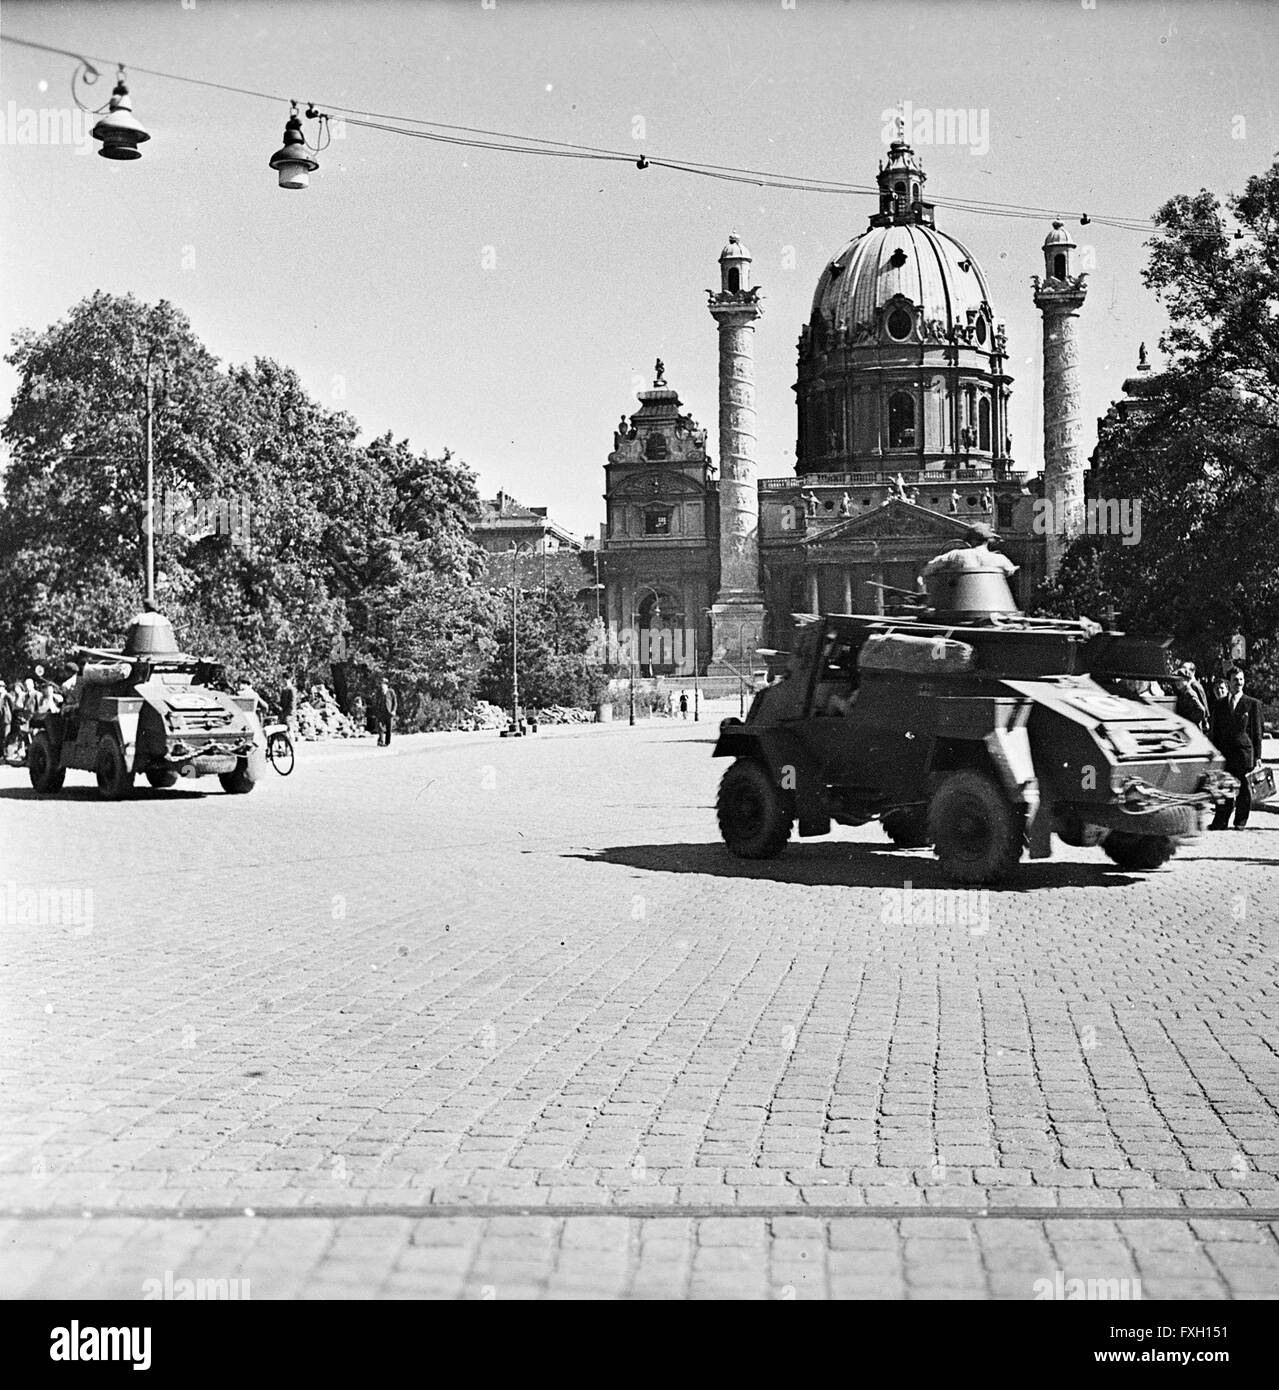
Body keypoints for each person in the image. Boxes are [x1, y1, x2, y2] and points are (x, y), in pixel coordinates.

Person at [1210, 666, 1264, 829]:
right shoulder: (1219, 704)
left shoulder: (1252, 704)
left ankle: (1240, 821)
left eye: (1241, 679)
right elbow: (1215, 731)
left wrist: (1258, 756)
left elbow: (1257, 732)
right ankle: (1220, 821)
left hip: (1244, 753)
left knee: (1243, 790)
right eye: (1235, 680)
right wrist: (1214, 752)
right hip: (1225, 753)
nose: (1239, 683)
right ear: (1229, 682)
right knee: (1223, 787)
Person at [1173, 661, 1210, 732]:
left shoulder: (1190, 692)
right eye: (1176, 680)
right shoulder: (1182, 693)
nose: (1177, 682)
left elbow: (1202, 710)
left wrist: (1189, 720)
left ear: (1187, 680)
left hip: (1192, 728)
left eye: (1180, 680)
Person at [373, 677, 397, 746]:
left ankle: (387, 742)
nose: (382, 685)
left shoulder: (391, 691)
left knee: (389, 729)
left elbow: (395, 702)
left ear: (386, 685)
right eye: (381, 684)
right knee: (380, 727)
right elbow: (376, 702)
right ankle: (380, 741)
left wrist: (393, 710)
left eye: (383, 684)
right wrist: (376, 711)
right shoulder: (378, 692)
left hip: (389, 713)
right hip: (381, 713)